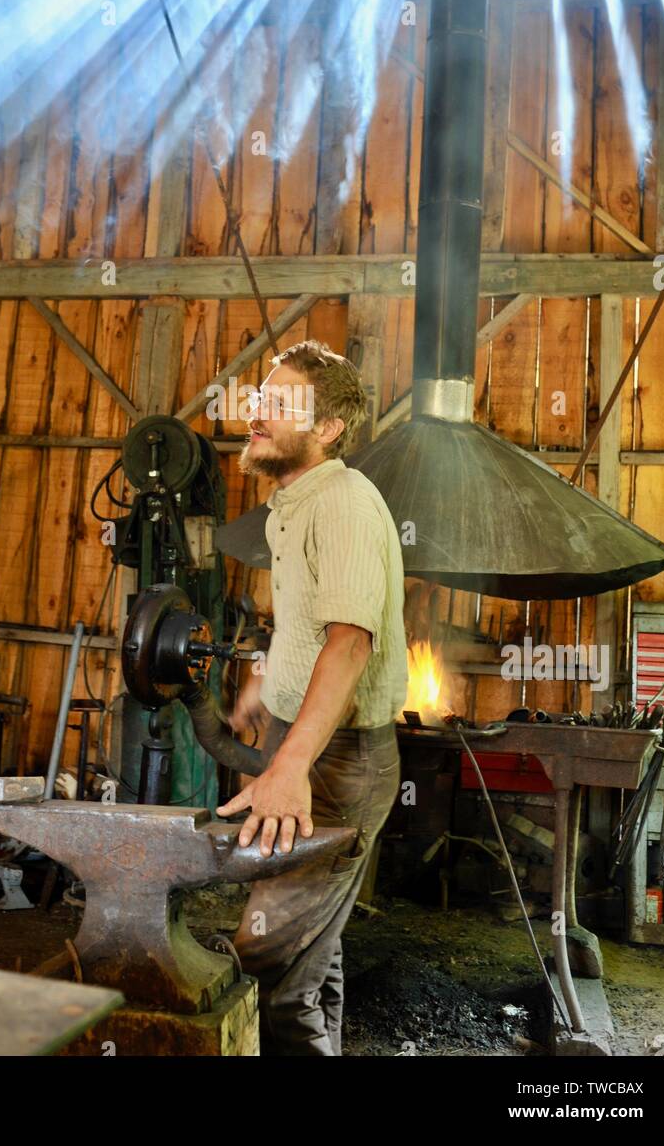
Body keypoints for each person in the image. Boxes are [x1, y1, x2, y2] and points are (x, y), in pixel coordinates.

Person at [216, 339, 408, 1056]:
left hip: (338, 760)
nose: (256, 412)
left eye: (278, 403)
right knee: (311, 954)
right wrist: (267, 684)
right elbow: (310, 625)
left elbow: (350, 644)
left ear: (327, 428)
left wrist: (290, 764)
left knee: (264, 961)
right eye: (258, 399)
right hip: (305, 742)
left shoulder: (344, 503)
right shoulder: (289, 506)